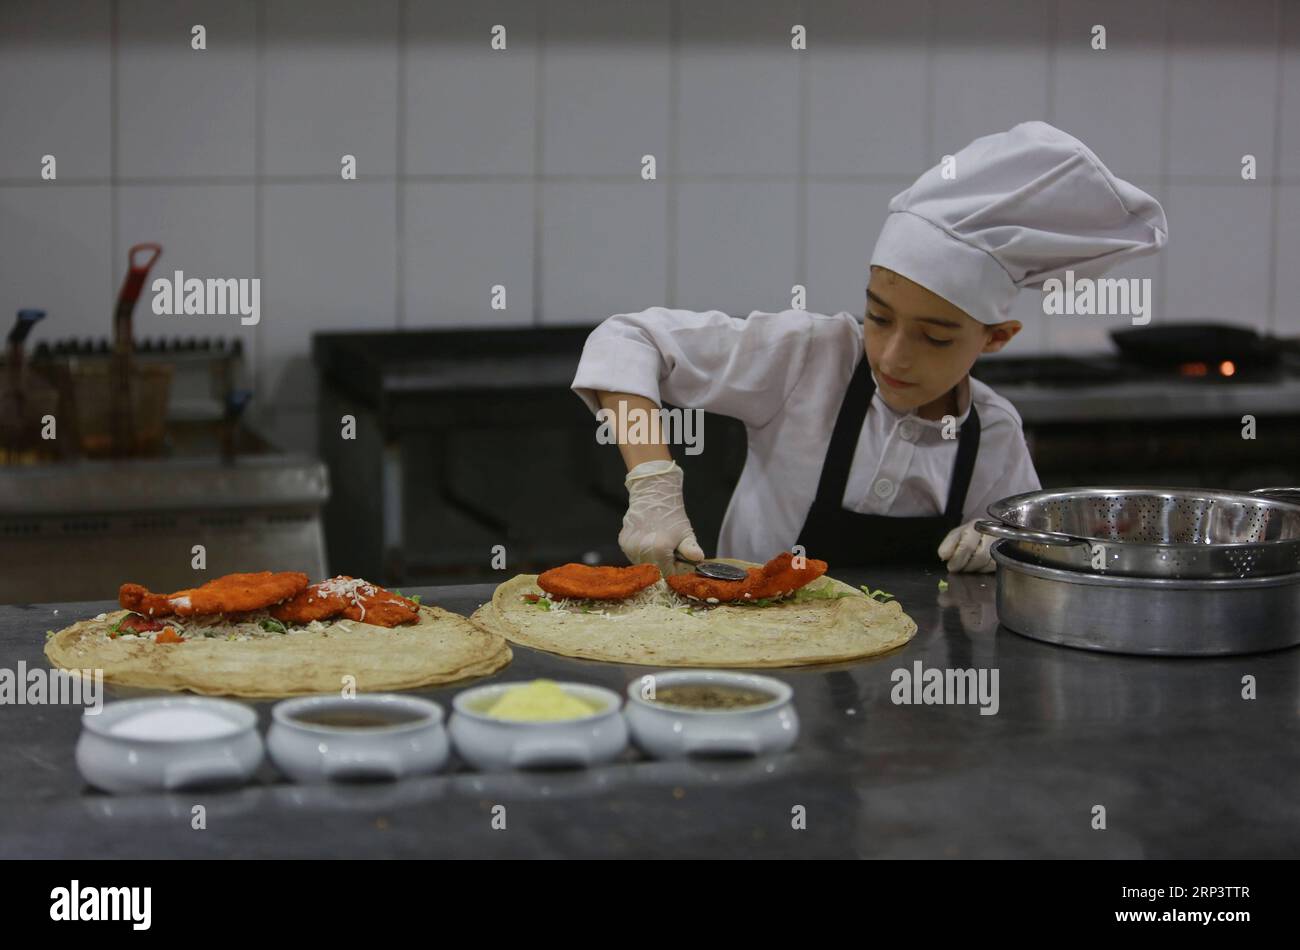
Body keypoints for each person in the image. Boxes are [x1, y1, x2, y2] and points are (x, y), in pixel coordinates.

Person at [571, 121, 1168, 575]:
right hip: (751, 657)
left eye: (935, 336)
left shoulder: (995, 435)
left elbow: (1034, 551)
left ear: (995, 338)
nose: (893, 356)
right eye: (878, 317)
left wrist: (1004, 547)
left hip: (909, 700)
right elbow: (629, 338)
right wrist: (651, 481)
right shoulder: (810, 359)